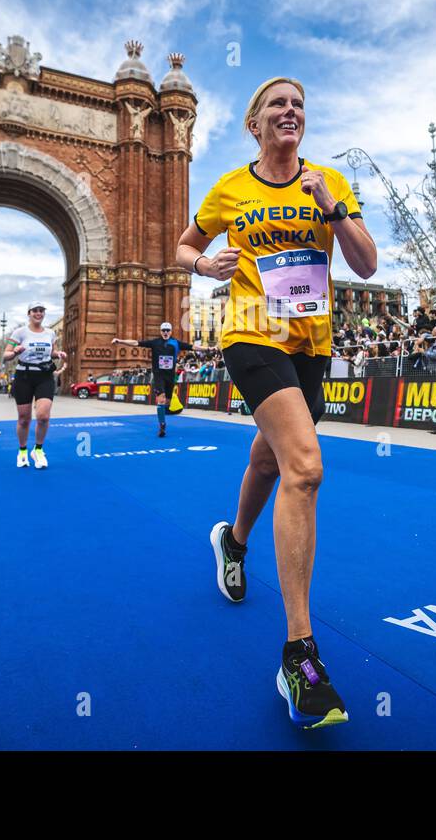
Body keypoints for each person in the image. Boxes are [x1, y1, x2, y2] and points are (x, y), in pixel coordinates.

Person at [175, 76, 377, 730]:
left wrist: (335, 209)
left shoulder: (329, 182)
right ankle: (300, 658)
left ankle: (233, 543)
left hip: (310, 344)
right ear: (254, 124)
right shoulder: (229, 188)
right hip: (251, 333)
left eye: (298, 105)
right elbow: (184, 246)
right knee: (306, 467)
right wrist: (204, 268)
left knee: (269, 461)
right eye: (276, 106)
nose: (289, 112)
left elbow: (368, 265)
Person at [2, 302, 66, 469]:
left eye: (41, 311)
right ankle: (22, 451)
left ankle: (38, 450)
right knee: (24, 419)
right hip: (24, 375)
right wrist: (15, 351)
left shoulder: (50, 333)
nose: (38, 313)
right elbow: (6, 355)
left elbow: (52, 352)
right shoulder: (20, 332)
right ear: (29, 313)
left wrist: (58, 353)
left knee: (43, 417)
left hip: (44, 376)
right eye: (35, 311)